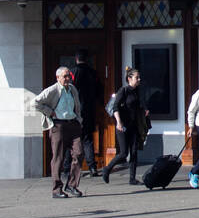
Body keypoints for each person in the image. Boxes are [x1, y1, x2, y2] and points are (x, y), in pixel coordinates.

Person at [32, 67, 85, 198]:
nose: (67, 79)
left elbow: (77, 105)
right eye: (65, 76)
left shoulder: (72, 89)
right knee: (58, 157)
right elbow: (35, 102)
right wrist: (50, 112)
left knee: (79, 153)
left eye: (68, 76)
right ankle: (57, 189)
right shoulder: (52, 90)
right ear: (58, 78)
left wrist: (79, 119)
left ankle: (72, 185)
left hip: (73, 124)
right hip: (58, 125)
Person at [102, 67, 150, 185]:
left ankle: (132, 178)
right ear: (129, 78)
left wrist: (144, 111)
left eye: (139, 77)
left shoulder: (137, 91)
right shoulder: (123, 91)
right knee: (123, 153)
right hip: (123, 126)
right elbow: (115, 107)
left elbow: (138, 106)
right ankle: (107, 169)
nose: (139, 79)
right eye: (136, 77)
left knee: (134, 152)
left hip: (134, 125)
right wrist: (119, 122)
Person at [70, 50, 104, 178]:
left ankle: (68, 168)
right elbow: (100, 90)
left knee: (72, 140)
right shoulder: (93, 73)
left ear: (76, 58)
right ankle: (92, 167)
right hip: (90, 110)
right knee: (88, 139)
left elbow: (70, 90)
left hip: (76, 111)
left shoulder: (73, 72)